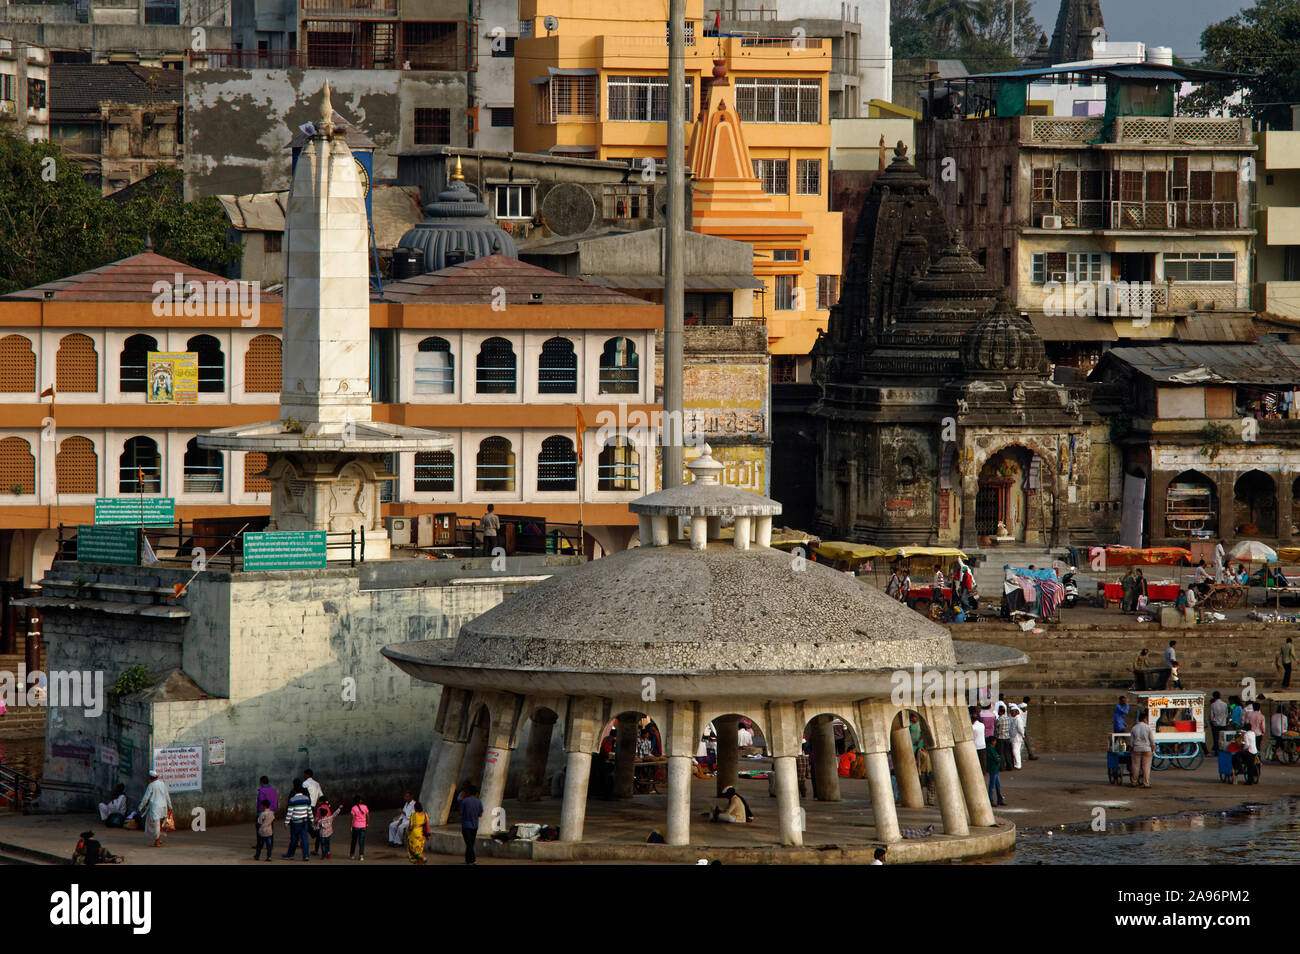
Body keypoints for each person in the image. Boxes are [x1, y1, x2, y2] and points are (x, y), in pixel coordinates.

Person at [137, 770, 172, 848]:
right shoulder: (162, 784)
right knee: (158, 824)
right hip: (163, 806)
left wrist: (140, 807)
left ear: (150, 777)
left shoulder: (151, 785)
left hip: (155, 807)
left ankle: (157, 841)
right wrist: (170, 806)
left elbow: (146, 797)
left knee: (155, 825)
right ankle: (158, 839)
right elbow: (167, 795)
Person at [282, 785, 312, 861]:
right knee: (304, 838)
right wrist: (312, 820)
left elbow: (290, 812)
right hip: (304, 821)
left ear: (294, 791)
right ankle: (306, 855)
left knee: (294, 839)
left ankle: (290, 854)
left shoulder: (292, 800)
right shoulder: (306, 798)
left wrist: (286, 822)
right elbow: (309, 810)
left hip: (295, 822)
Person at [1129, 710, 1155, 788]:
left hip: (1137, 749)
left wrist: (1131, 749)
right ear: (1144, 719)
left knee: (1135, 766)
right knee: (1146, 767)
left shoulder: (1134, 728)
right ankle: (1146, 783)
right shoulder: (1148, 728)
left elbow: (1131, 742)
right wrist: (1152, 749)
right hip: (1147, 749)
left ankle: (1134, 781)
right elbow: (1152, 741)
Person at [459, 782, 483, 865]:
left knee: (468, 843)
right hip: (475, 825)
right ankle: (468, 859)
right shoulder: (478, 802)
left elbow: (460, 813)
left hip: (466, 825)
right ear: (476, 793)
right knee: (470, 843)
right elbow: (480, 814)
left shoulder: (464, 801)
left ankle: (472, 859)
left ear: (468, 792)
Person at [301, 769, 323, 855]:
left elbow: (303, 794)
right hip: (314, 806)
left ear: (307, 775)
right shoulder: (317, 784)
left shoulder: (305, 783)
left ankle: (311, 834)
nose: (303, 776)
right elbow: (321, 795)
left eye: (304, 774)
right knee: (313, 823)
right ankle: (314, 834)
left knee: (305, 823)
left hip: (306, 806)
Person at [253, 776, 277, 849]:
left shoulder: (262, 790)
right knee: (270, 828)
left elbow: (260, 801)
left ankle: (260, 844)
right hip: (271, 811)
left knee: (260, 828)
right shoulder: (273, 790)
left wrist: (259, 811)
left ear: (261, 782)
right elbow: (276, 801)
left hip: (262, 812)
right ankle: (270, 844)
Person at [349, 795, 369, 861]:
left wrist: (351, 826)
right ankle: (361, 855)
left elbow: (353, 818)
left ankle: (352, 855)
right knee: (361, 842)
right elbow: (368, 816)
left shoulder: (353, 808)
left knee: (354, 841)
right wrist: (367, 823)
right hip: (363, 826)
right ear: (361, 801)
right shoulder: (365, 807)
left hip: (356, 826)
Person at [986, 738, 1005, 806]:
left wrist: (998, 758)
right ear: (992, 742)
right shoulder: (990, 749)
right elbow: (996, 758)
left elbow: (997, 757)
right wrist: (998, 758)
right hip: (993, 769)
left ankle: (999, 800)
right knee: (992, 786)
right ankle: (991, 800)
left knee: (997, 785)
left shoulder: (991, 748)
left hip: (995, 769)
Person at [993, 706, 1013, 772]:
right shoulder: (1008, 718)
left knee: (1000, 753)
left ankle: (1002, 767)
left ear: (1000, 712)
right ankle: (1009, 766)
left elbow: (996, 725)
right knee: (1007, 752)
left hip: (1000, 737)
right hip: (1007, 737)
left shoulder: (999, 719)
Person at [1020, 696, 1039, 761]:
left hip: (1020, 725)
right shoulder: (1024, 706)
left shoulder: (1018, 705)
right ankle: (1029, 755)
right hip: (1022, 726)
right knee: (1024, 741)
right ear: (1028, 702)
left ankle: (1030, 754)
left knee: (1024, 741)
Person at [1008, 704, 1025, 769]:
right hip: (1013, 737)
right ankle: (1016, 763)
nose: (1011, 713)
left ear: (1015, 712)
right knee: (1015, 751)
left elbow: (1021, 729)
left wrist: (1023, 735)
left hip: (1017, 737)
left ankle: (1018, 764)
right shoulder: (1013, 718)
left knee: (1016, 751)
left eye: (1012, 712)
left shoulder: (1018, 719)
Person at [970, 708, 987, 773]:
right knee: (983, 759)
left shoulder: (973, 727)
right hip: (982, 743)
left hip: (976, 745)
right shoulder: (982, 725)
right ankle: (984, 771)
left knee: (977, 760)